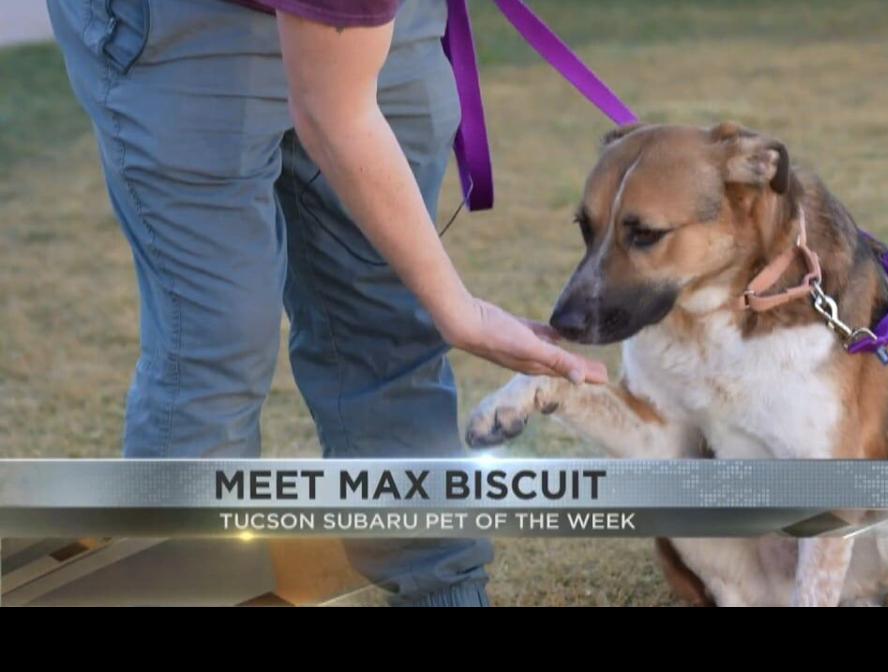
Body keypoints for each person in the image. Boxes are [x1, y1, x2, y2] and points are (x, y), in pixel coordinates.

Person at [46, 0, 607, 607]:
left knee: (391, 326)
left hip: (377, 28)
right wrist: (459, 312)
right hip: (178, 29)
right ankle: (192, 589)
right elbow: (332, 111)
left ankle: (440, 587)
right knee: (216, 350)